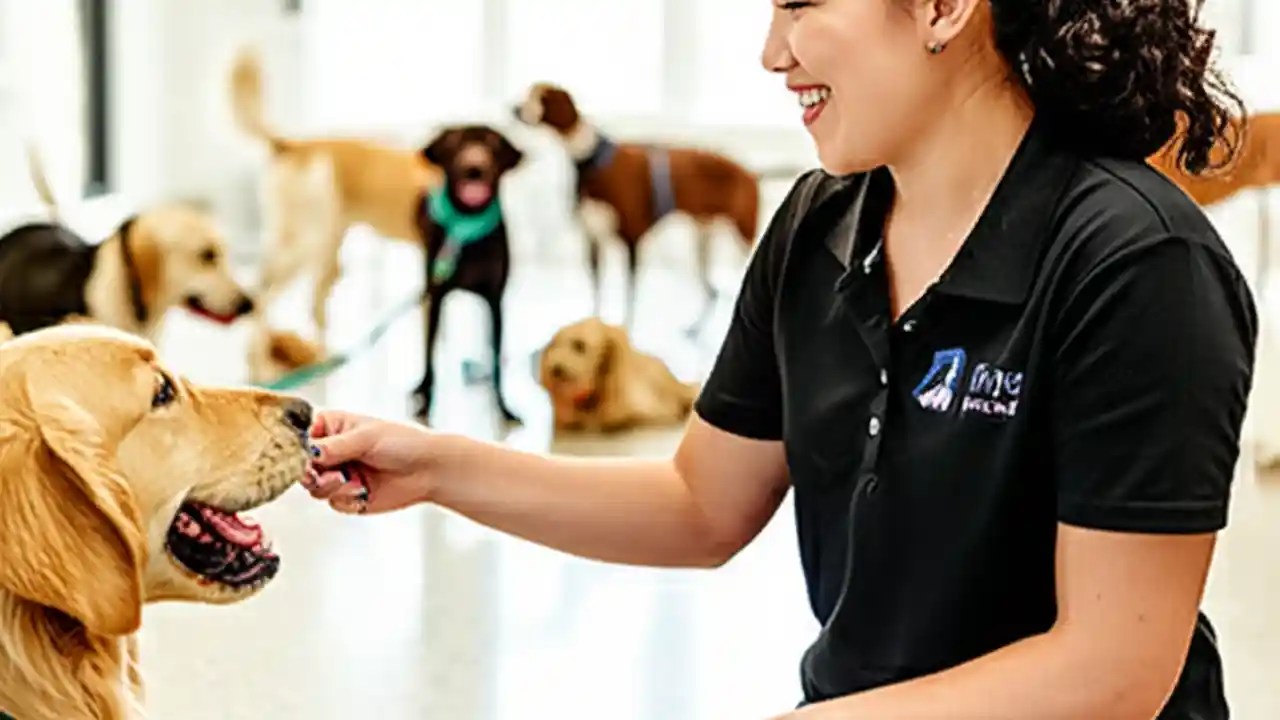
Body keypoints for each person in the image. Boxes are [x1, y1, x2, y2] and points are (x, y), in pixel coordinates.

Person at [305, 0, 1257, 717]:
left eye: (802, 4)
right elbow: (701, 505)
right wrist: (437, 468)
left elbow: (1113, 668)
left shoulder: (1137, 261)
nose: (772, 51)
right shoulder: (817, 225)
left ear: (942, 7)